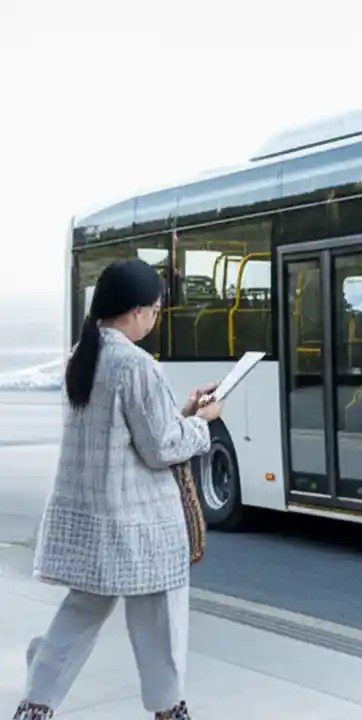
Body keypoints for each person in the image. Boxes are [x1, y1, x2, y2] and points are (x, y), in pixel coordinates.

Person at [12, 258, 222, 720]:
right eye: (155, 309)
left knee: (78, 617)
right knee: (159, 622)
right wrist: (202, 423)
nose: (155, 318)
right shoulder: (135, 364)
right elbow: (162, 446)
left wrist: (181, 412)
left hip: (92, 518)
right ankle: (170, 710)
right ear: (135, 311)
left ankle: (36, 705)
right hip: (140, 523)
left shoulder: (81, 356)